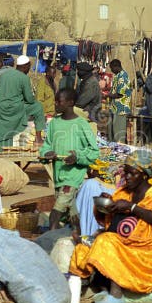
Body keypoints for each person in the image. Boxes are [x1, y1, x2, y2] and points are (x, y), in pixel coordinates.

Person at [69, 149, 152, 303]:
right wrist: (108, 205)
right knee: (86, 247)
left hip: (148, 251)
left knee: (107, 242)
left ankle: (116, 295)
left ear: (144, 175)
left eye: (132, 173)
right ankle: (94, 287)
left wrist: (131, 207)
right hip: (124, 243)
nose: (127, 177)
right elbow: (109, 222)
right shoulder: (124, 193)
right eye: (125, 172)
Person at [39, 88, 100, 230]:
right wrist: (47, 153)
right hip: (58, 175)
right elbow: (47, 145)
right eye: (55, 101)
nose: (55, 104)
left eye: (59, 102)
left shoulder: (81, 124)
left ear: (70, 102)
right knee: (72, 215)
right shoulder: (54, 123)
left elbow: (94, 151)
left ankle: (50, 239)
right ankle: (79, 236)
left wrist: (77, 157)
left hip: (73, 177)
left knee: (55, 214)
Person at [0, 55, 45, 151]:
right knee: (38, 107)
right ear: (25, 66)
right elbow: (29, 100)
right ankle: (38, 139)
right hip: (12, 109)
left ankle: (2, 152)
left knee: (3, 133)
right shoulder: (24, 78)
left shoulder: (5, 74)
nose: (28, 70)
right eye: (28, 67)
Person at [107, 59, 132, 143]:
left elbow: (120, 94)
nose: (111, 70)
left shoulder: (123, 77)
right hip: (115, 108)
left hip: (121, 108)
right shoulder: (117, 76)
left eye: (112, 68)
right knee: (112, 131)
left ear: (116, 67)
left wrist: (108, 95)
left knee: (118, 133)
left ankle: (119, 148)